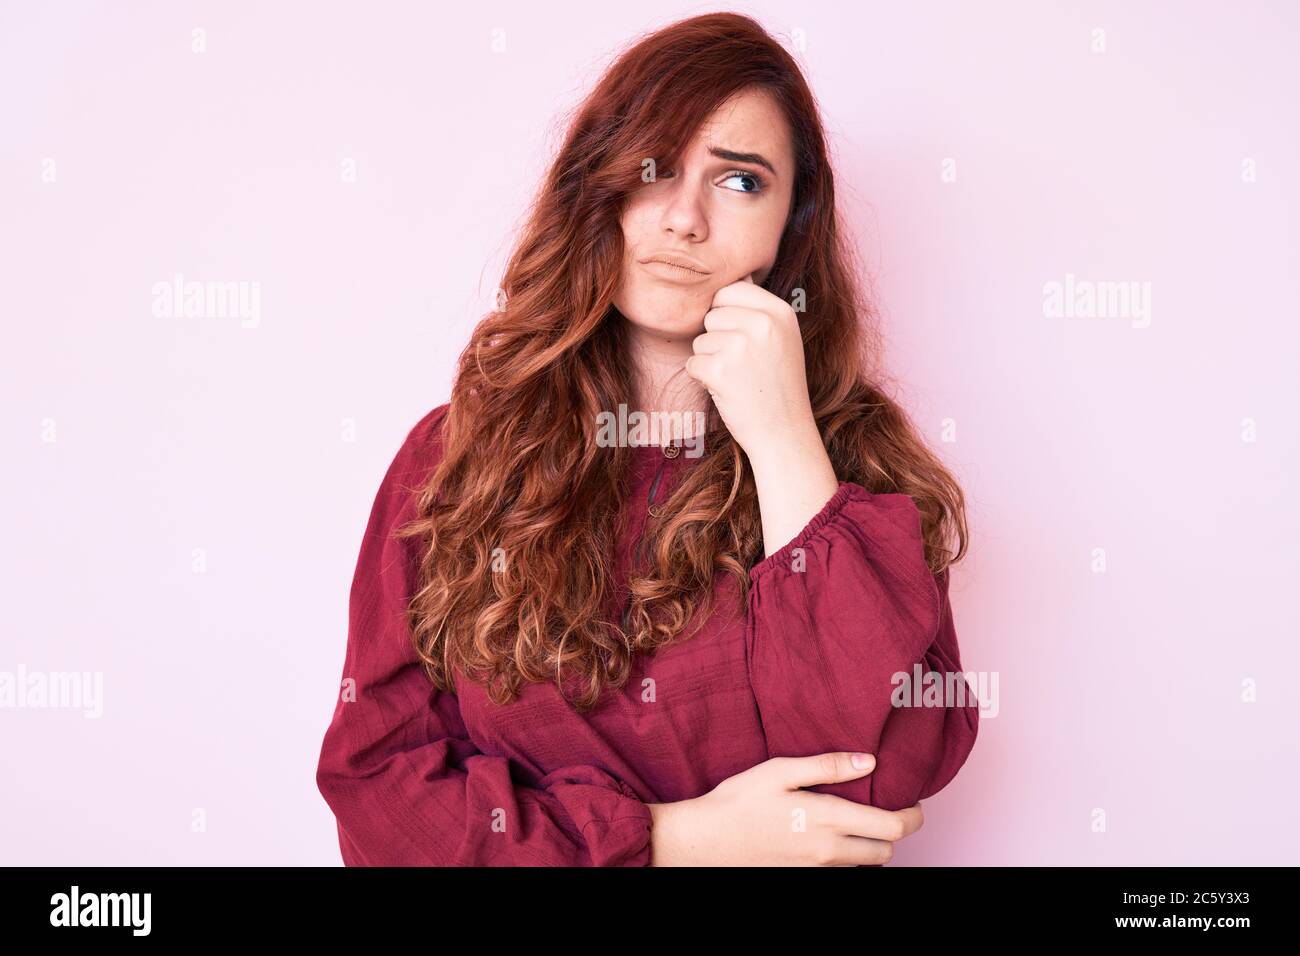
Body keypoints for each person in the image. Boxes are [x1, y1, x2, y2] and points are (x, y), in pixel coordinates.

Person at [316, 12, 978, 866]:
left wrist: (783, 443)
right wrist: (669, 840)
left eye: (740, 182)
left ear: (790, 229)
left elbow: (876, 782)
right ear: (600, 184)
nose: (684, 220)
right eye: (654, 169)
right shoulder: (454, 461)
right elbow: (377, 792)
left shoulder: (858, 472)